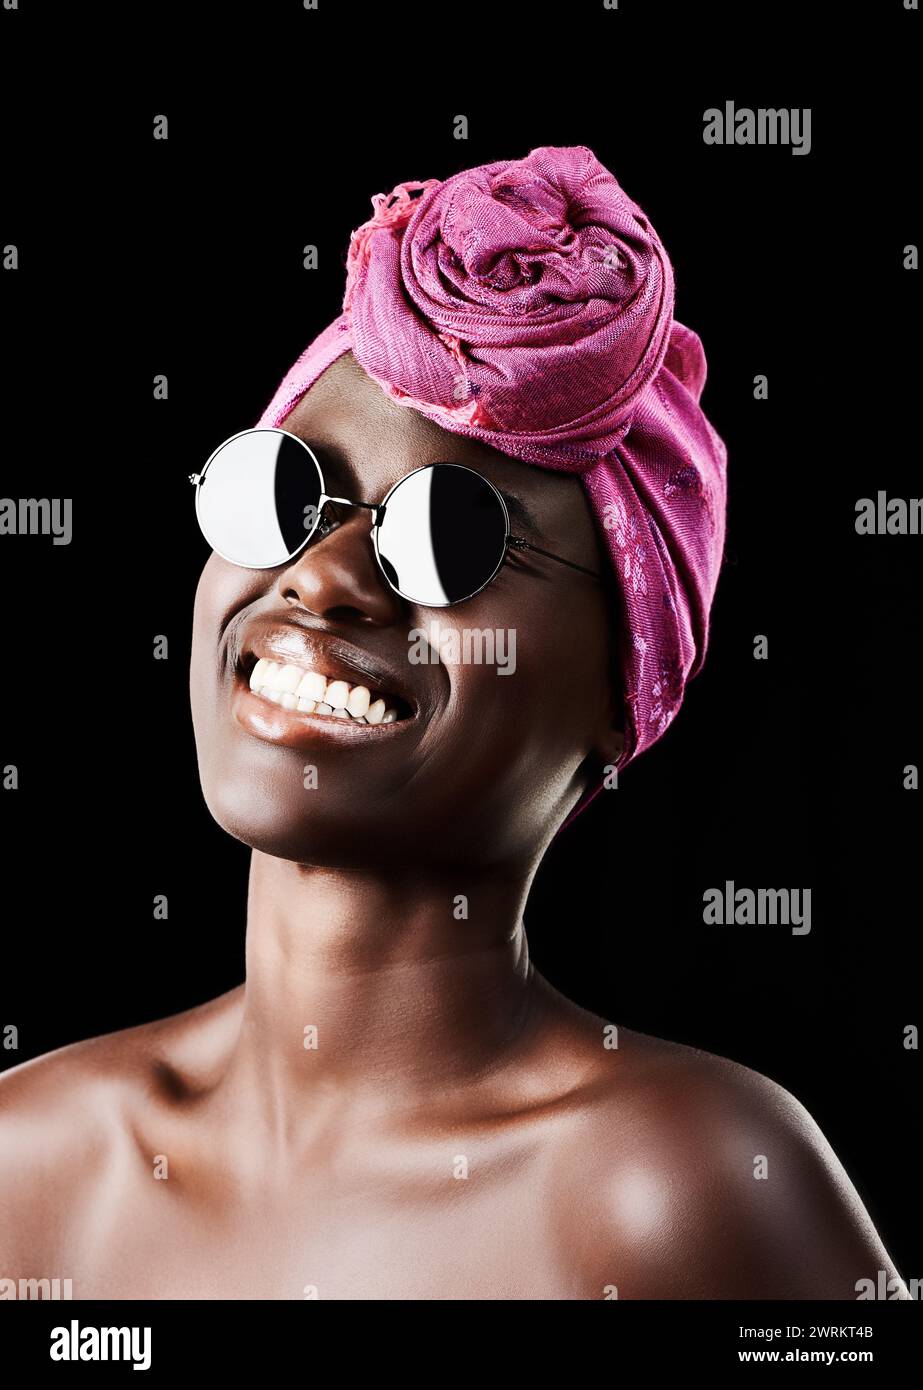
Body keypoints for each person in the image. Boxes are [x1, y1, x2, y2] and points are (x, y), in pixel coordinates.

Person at [0, 146, 908, 1300]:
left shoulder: (681, 1188)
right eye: (286, 493)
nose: (320, 579)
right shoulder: (29, 1166)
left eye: (450, 535)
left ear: (621, 696)